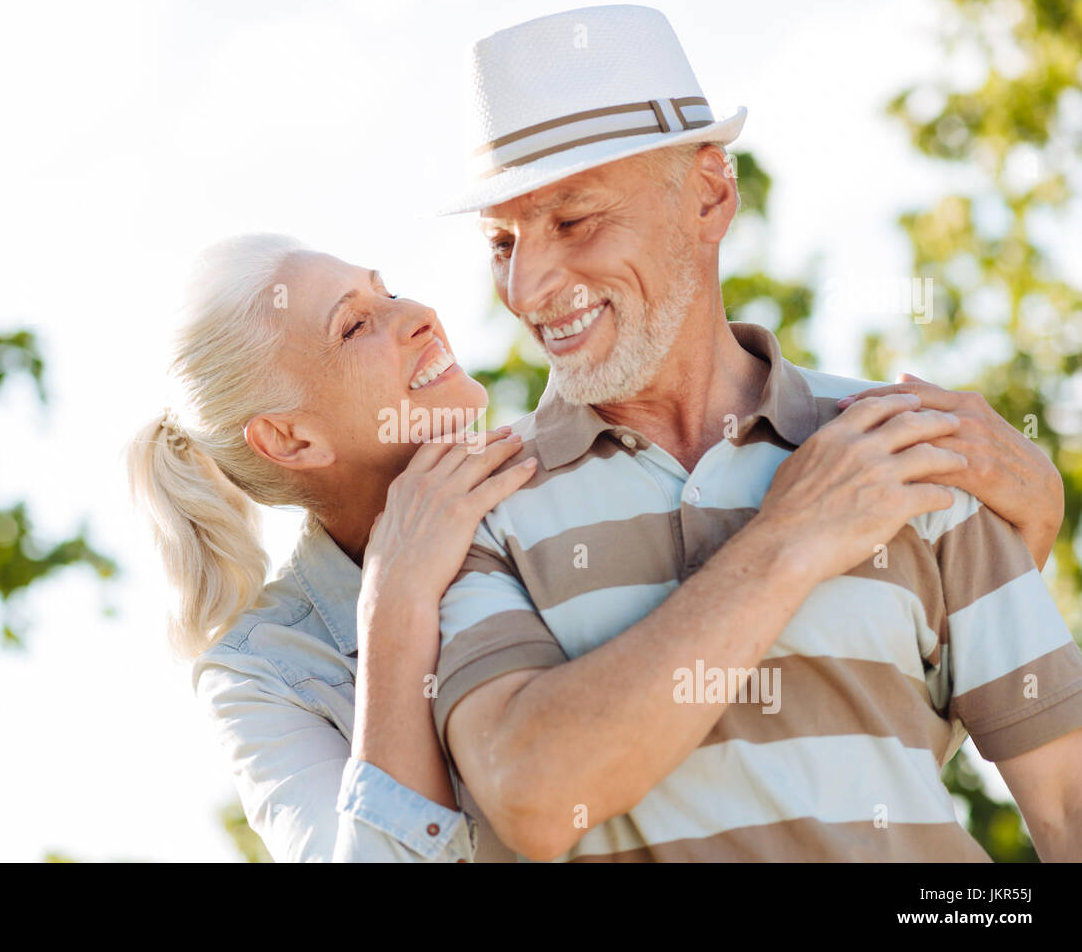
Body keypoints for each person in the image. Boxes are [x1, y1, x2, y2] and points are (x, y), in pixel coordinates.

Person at [126, 229, 1064, 861]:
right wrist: (396, 609)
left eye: (389, 290)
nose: (418, 317)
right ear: (289, 440)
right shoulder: (265, 671)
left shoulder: (564, 472)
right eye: (356, 324)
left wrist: (1033, 503)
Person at [431, 4, 1082, 862]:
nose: (528, 283)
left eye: (573, 219)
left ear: (708, 195)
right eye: (502, 241)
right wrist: (791, 537)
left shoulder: (903, 444)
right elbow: (535, 794)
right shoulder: (475, 510)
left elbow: (1067, 801)